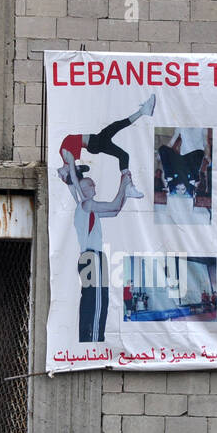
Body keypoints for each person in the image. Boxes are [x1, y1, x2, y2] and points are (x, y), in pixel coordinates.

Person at [63, 141, 134, 342]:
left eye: (93, 183)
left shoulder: (87, 208)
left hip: (93, 257)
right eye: (89, 184)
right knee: (95, 303)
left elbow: (115, 210)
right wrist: (123, 183)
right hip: (91, 257)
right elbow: (113, 204)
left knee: (97, 302)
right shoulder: (86, 205)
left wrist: (124, 191)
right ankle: (91, 340)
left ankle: (92, 338)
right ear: (82, 190)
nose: (94, 185)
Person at [57, 95, 156, 199]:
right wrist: (82, 198)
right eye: (63, 175)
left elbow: (71, 185)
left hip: (95, 143)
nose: (59, 174)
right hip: (94, 143)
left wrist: (78, 202)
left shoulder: (63, 155)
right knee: (116, 126)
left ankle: (128, 187)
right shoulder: (68, 158)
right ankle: (143, 111)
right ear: (70, 171)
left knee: (123, 155)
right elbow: (73, 179)